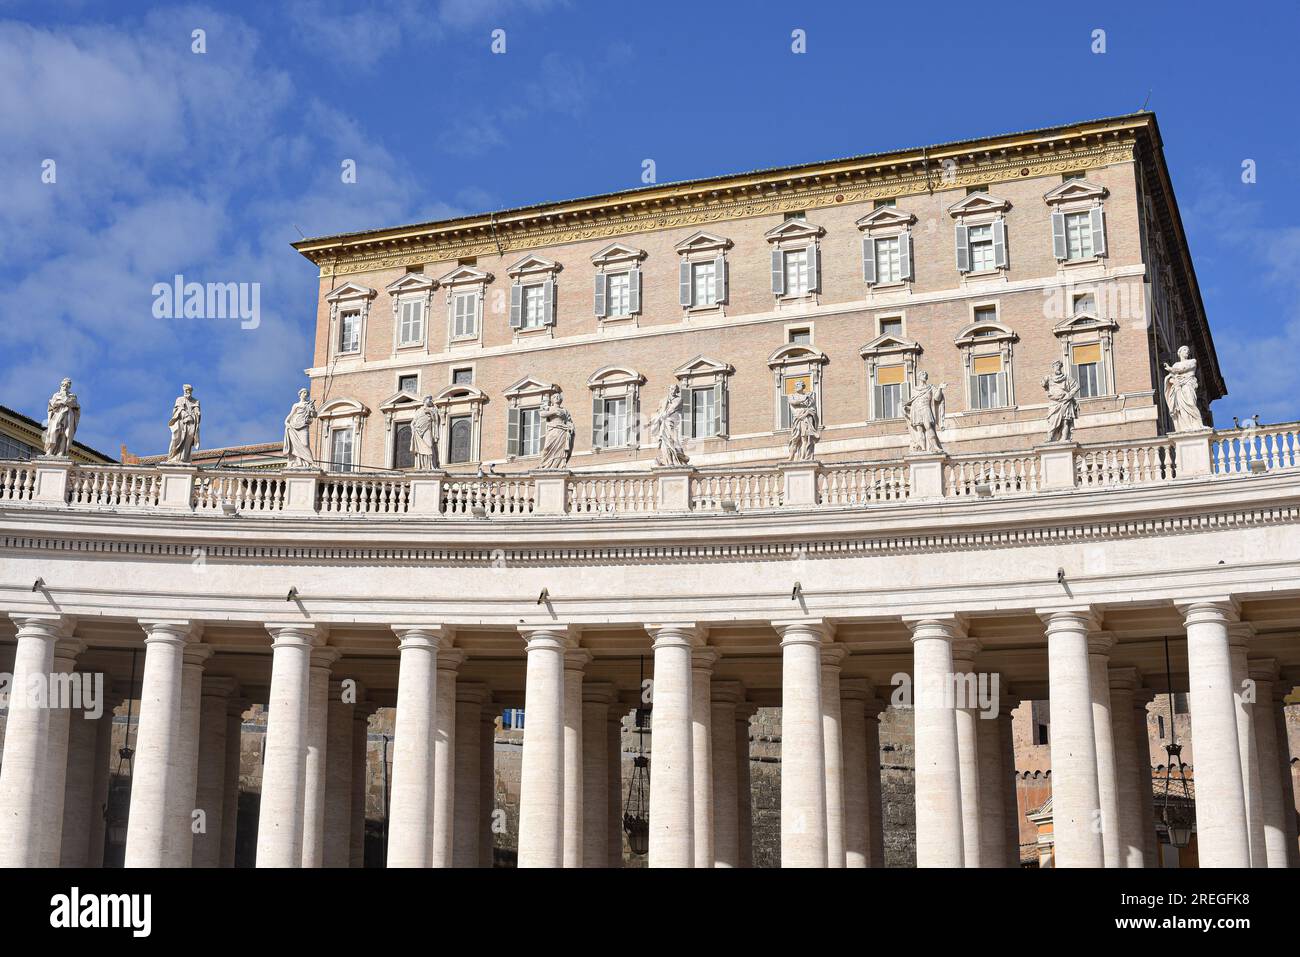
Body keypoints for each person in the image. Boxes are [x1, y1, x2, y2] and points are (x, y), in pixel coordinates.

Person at [1163, 345, 1205, 432]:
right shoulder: (1176, 365)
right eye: (1185, 350)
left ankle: (1198, 424)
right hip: (1179, 387)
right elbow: (1170, 378)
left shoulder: (1192, 361)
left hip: (1188, 384)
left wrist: (1170, 369)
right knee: (1181, 408)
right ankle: (1186, 427)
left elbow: (1183, 368)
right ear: (1180, 353)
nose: (1187, 351)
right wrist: (1173, 381)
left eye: (1188, 350)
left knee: (1190, 403)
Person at [903, 371, 945, 453]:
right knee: (919, 429)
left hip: (926, 408)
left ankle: (935, 446)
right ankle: (922, 448)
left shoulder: (930, 387)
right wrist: (905, 408)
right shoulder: (914, 389)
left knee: (928, 426)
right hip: (916, 409)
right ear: (919, 377)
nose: (925, 375)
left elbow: (937, 398)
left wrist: (940, 388)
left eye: (926, 374)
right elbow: (911, 401)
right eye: (923, 374)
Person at [651, 384, 690, 467]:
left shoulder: (678, 400)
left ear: (677, 391)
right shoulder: (663, 400)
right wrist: (655, 419)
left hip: (673, 423)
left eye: (675, 389)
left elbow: (671, 409)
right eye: (672, 389)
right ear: (669, 389)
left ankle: (678, 459)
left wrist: (661, 416)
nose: (673, 391)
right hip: (664, 424)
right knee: (665, 442)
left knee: (674, 441)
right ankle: (668, 461)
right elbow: (659, 411)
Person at [1042, 360, 1080, 443]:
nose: (1058, 367)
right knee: (1052, 420)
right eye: (1056, 366)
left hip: (1065, 401)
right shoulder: (1049, 378)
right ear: (1053, 367)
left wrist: (1069, 395)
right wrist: (1044, 381)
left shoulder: (1066, 377)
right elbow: (1043, 384)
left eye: (1059, 366)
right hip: (1054, 402)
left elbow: (1076, 386)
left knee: (1065, 420)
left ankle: (1064, 438)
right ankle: (1050, 437)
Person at [43, 377, 80, 457]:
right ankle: (50, 451)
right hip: (57, 415)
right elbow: (53, 404)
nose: (65, 387)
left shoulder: (72, 396)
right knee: (53, 432)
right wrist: (63, 401)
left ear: (69, 387)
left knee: (64, 435)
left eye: (67, 385)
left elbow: (73, 404)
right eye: (64, 385)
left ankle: (61, 452)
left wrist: (63, 401)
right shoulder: (56, 395)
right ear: (61, 386)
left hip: (67, 416)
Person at [282, 389, 319, 469]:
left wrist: (312, 410)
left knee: (305, 444)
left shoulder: (309, 404)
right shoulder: (296, 405)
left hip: (304, 425)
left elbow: (315, 415)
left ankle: (310, 462)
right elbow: (291, 415)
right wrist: (286, 422)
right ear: (300, 394)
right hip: (294, 424)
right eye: (304, 392)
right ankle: (299, 461)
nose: (305, 394)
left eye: (306, 393)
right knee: (295, 444)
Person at [786, 380, 821, 462]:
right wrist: (804, 399)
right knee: (794, 439)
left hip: (805, 420)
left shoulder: (809, 398)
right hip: (797, 419)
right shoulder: (792, 396)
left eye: (798, 384)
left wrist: (808, 412)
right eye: (795, 385)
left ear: (803, 386)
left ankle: (803, 457)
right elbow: (792, 402)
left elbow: (813, 409)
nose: (796, 386)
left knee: (804, 439)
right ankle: (791, 457)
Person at [166, 384, 202, 464]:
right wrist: (185, 415)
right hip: (181, 423)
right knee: (176, 438)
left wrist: (197, 414)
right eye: (186, 390)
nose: (187, 392)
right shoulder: (179, 399)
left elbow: (197, 412)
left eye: (189, 390)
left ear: (191, 392)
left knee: (188, 441)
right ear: (184, 391)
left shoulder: (196, 401)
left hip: (191, 423)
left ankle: (184, 458)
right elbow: (178, 409)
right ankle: (173, 457)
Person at [539, 392, 575, 469]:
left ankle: (559, 465)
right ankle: (545, 465)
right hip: (553, 429)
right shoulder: (549, 408)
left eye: (559, 397)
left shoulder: (564, 410)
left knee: (560, 450)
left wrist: (571, 426)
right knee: (547, 448)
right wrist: (553, 412)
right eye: (555, 397)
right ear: (552, 400)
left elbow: (569, 420)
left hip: (562, 431)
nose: (557, 398)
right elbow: (542, 414)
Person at [410, 396, 440, 470]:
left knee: (429, 445)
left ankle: (431, 465)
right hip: (418, 430)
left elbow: (435, 421)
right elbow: (413, 423)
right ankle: (423, 466)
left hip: (427, 429)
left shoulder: (433, 410)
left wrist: (430, 412)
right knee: (420, 449)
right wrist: (413, 429)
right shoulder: (419, 411)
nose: (431, 401)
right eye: (429, 399)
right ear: (425, 400)